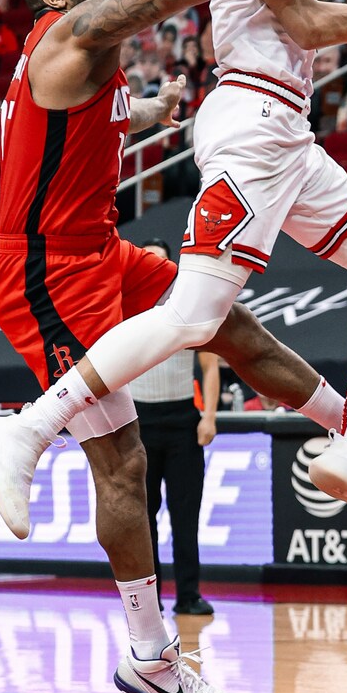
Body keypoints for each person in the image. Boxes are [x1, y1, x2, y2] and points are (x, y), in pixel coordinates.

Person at [0, 0, 347, 693]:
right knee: (124, 465)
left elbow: (78, 134)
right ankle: (149, 657)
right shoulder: (68, 31)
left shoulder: (82, 64)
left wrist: (153, 110)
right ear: (57, 0)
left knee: (233, 328)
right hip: (46, 270)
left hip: (99, 250)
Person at [128, 240, 220, 618]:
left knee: (185, 514)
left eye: (161, 261)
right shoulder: (126, 310)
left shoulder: (189, 310)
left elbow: (211, 366)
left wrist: (209, 416)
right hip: (138, 425)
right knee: (142, 518)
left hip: (183, 421)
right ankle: (150, 603)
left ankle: (189, 594)